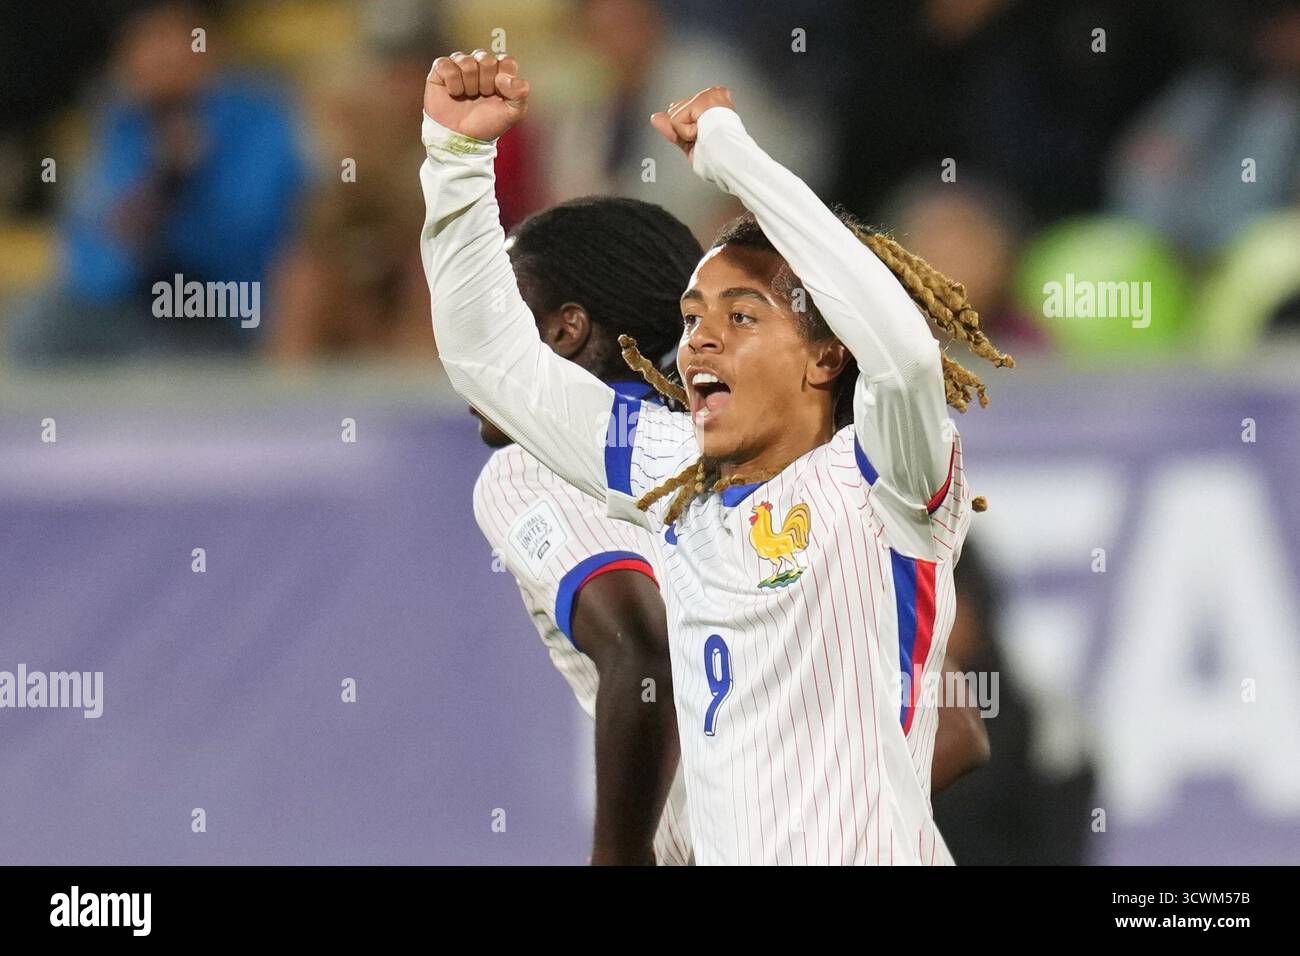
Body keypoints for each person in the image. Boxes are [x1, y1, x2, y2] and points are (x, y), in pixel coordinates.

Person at [422, 51, 1012, 864]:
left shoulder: (886, 482)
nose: (699, 339)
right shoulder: (669, 477)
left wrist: (740, 161)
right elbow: (490, 361)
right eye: (693, 315)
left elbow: (905, 359)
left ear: (825, 356)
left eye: (741, 318)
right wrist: (455, 163)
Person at [471, 196, 702, 865]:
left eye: (492, 318)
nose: (463, 350)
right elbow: (952, 728)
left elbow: (643, 649)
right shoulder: (782, 450)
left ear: (565, 331)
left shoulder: (535, 466)